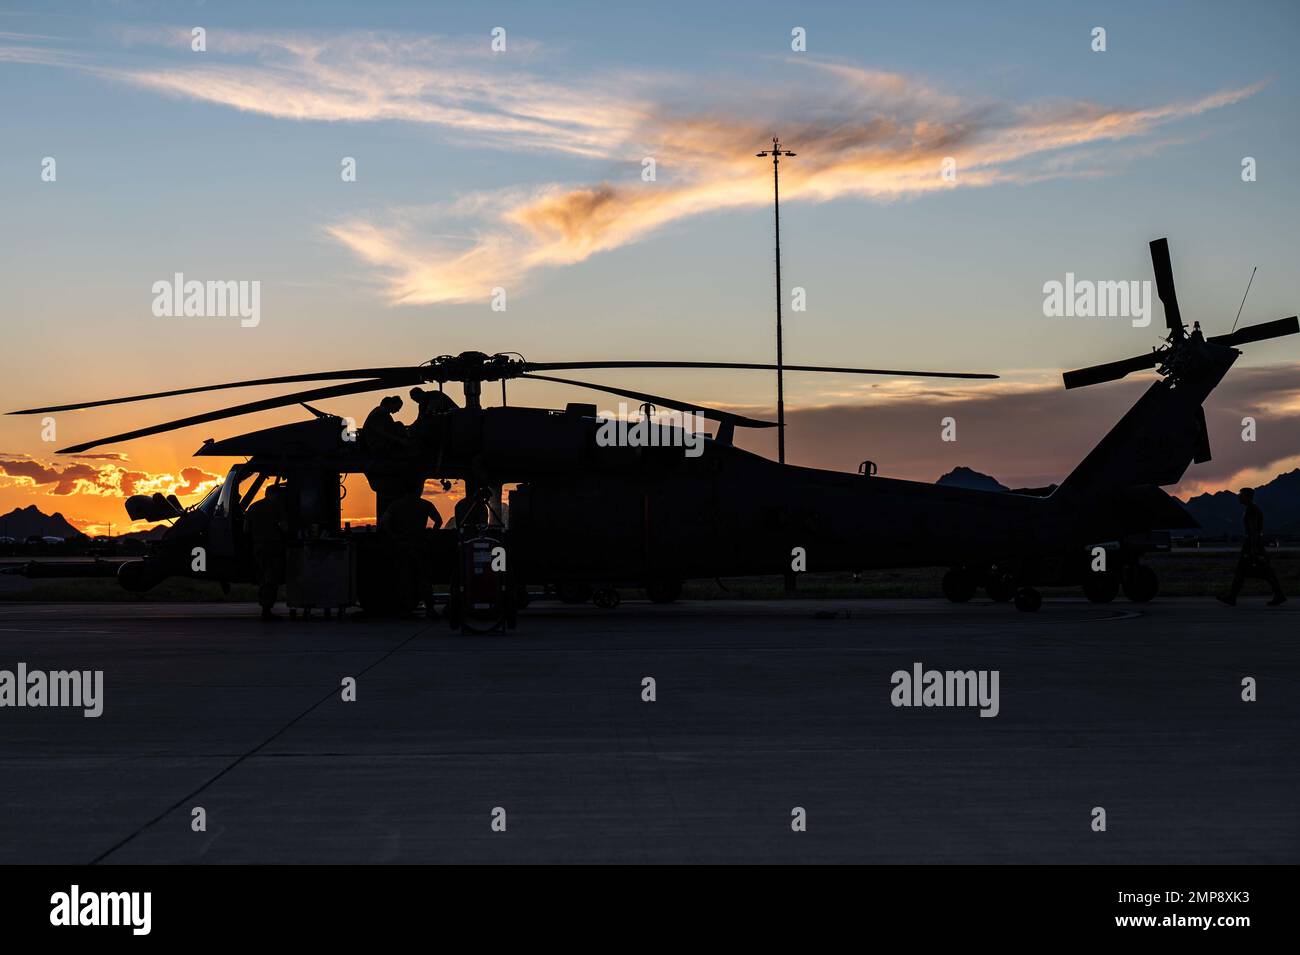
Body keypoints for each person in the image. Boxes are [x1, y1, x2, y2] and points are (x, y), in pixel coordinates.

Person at [1218, 487, 1286, 606]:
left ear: (1248, 497)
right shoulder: (1252, 509)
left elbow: (1254, 530)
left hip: (1252, 543)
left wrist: (1253, 548)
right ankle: (1232, 597)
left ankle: (1232, 597)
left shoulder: (1252, 510)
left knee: (1258, 571)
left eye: (1241, 495)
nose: (1239, 496)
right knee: (1253, 571)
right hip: (1253, 543)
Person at [380, 493, 444, 617]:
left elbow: (384, 522)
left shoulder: (395, 505)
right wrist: (429, 537)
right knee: (424, 578)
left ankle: (405, 609)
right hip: (420, 545)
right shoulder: (425, 504)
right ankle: (430, 609)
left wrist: (394, 536)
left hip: (402, 546)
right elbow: (438, 521)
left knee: (404, 577)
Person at [243, 483, 289, 619]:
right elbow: (285, 528)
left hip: (258, 548)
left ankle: (264, 605)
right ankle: (266, 609)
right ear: (274, 495)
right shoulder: (278, 507)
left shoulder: (253, 507)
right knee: (272, 578)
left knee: (263, 577)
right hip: (273, 547)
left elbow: (246, 529)